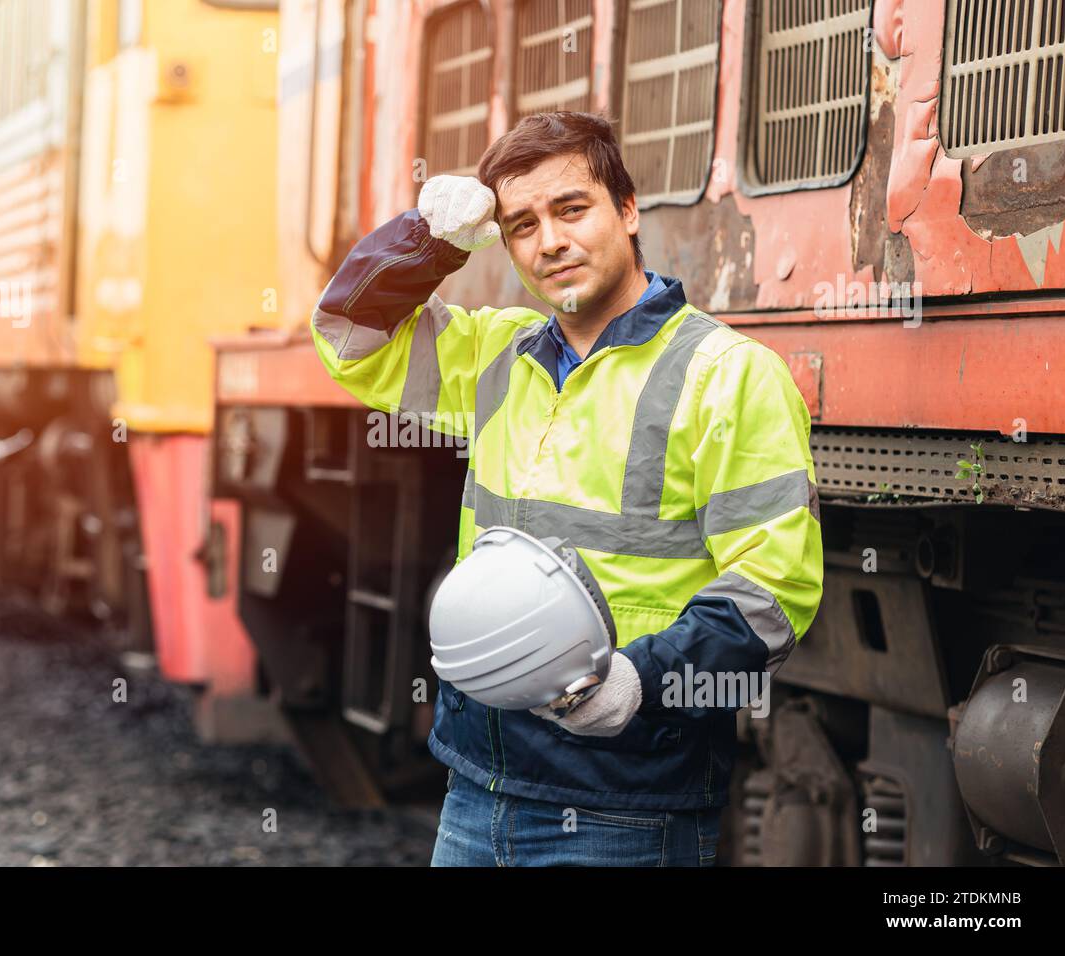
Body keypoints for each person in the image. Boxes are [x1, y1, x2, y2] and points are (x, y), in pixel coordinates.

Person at [310, 112, 824, 866]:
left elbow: (774, 589)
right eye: (521, 224)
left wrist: (639, 683)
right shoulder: (496, 357)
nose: (549, 241)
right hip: (478, 789)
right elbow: (348, 338)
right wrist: (428, 241)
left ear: (627, 209)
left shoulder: (730, 374)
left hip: (627, 802)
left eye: (571, 209)